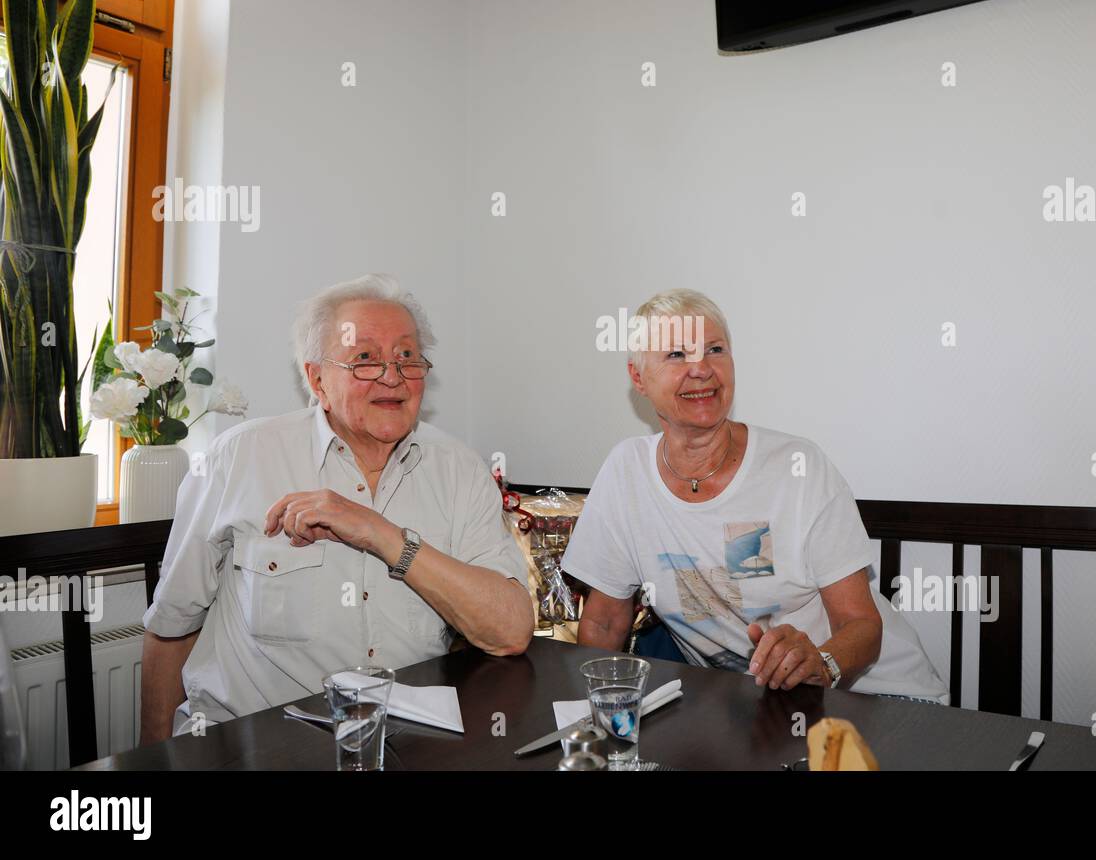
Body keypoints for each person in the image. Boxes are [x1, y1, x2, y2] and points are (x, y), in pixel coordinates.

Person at [139, 274, 532, 743]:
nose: (393, 376)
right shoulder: (239, 458)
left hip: (406, 743)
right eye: (364, 358)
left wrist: (382, 535)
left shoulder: (459, 470)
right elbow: (171, 628)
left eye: (407, 357)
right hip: (253, 748)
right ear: (316, 379)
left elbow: (510, 631)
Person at [561, 289, 949, 701]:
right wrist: (589, 720)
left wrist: (820, 662)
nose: (702, 369)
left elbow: (863, 625)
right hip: (758, 712)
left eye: (714, 349)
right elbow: (604, 623)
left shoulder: (799, 466)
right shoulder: (626, 472)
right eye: (676, 355)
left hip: (878, 698)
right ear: (638, 377)